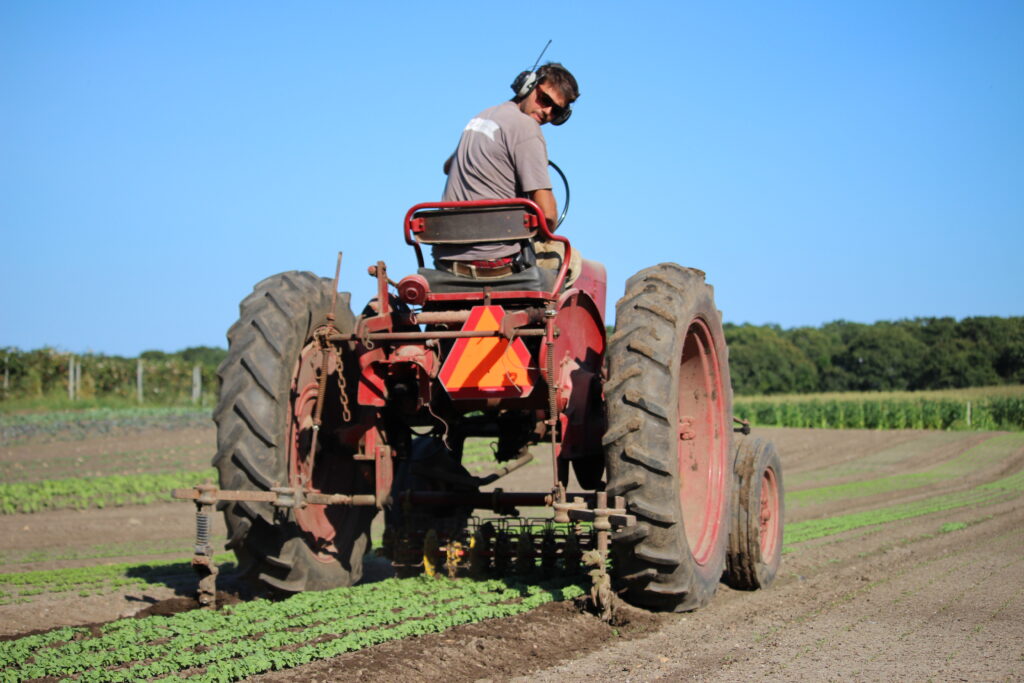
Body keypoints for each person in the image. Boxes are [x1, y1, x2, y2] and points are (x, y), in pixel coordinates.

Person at [434, 62, 581, 280]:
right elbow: (548, 215)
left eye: (556, 110)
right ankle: (545, 313)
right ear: (528, 86)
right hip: (494, 262)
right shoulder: (527, 129)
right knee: (572, 261)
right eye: (544, 99)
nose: (547, 111)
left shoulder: (481, 117)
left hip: (446, 258)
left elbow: (448, 166)